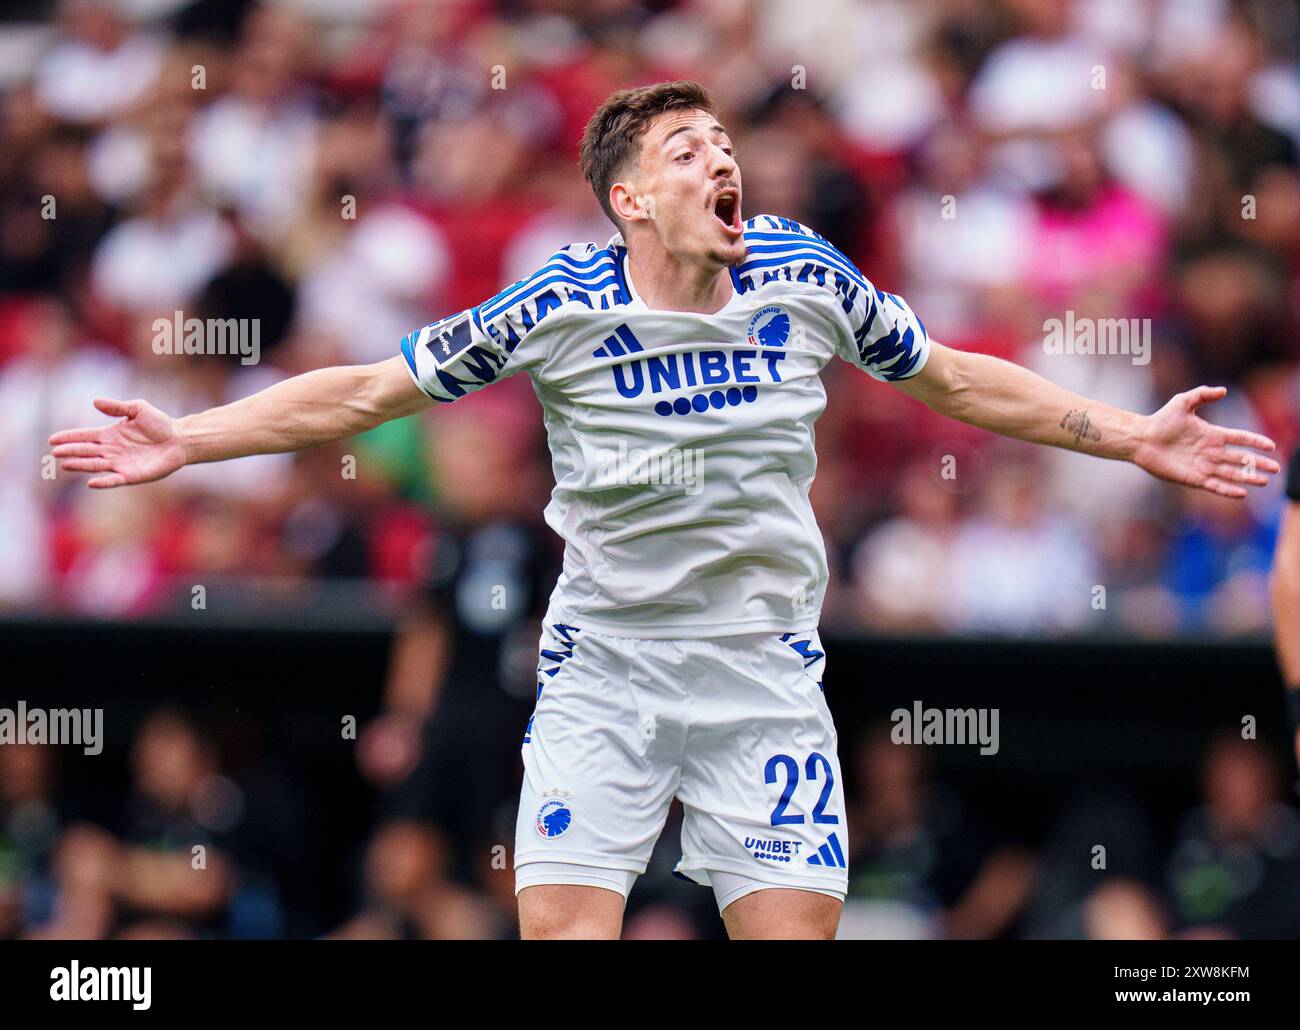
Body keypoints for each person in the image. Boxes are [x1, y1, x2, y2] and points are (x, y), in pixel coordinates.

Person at [49, 80, 1279, 940]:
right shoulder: (557, 306)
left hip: (763, 677)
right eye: (685, 151)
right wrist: (190, 438)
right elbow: (371, 390)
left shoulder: (803, 275)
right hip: (606, 676)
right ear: (630, 201)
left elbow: (952, 376)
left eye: (722, 144)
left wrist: (1129, 436)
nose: (720, 161)